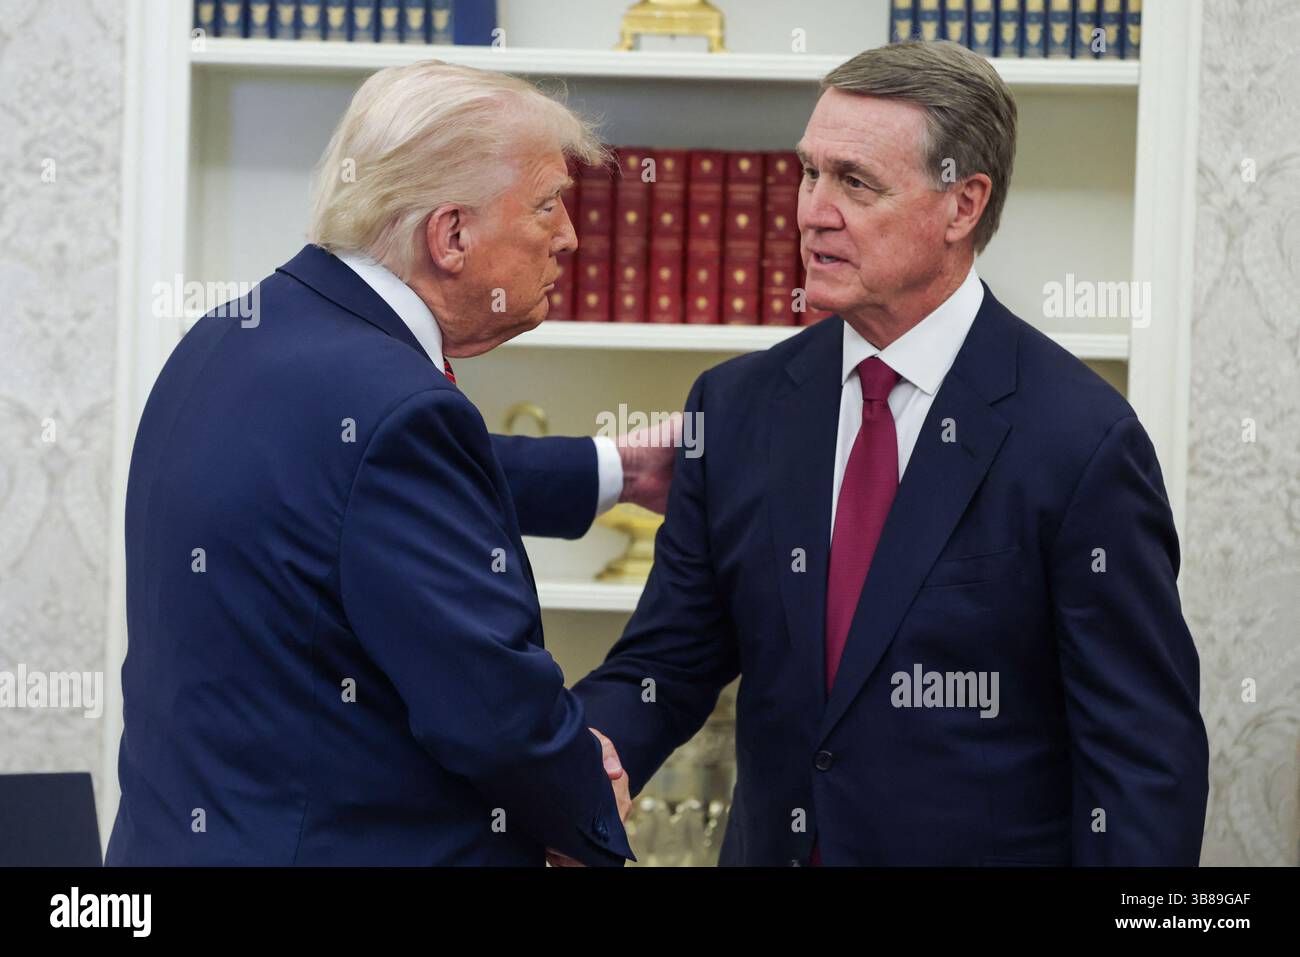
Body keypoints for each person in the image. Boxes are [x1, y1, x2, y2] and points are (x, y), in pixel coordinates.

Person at [569, 41, 1210, 866]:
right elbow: (669, 660)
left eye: (855, 182)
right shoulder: (734, 409)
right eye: (809, 173)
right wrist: (572, 762)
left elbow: (1143, 759)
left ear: (962, 204)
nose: (810, 211)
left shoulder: (1080, 440)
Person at [106, 61, 673, 866]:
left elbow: (347, 483)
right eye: (547, 205)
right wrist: (585, 808)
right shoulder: (397, 410)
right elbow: (494, 716)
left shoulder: (235, 333)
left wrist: (618, 468)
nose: (570, 236)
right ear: (451, 235)